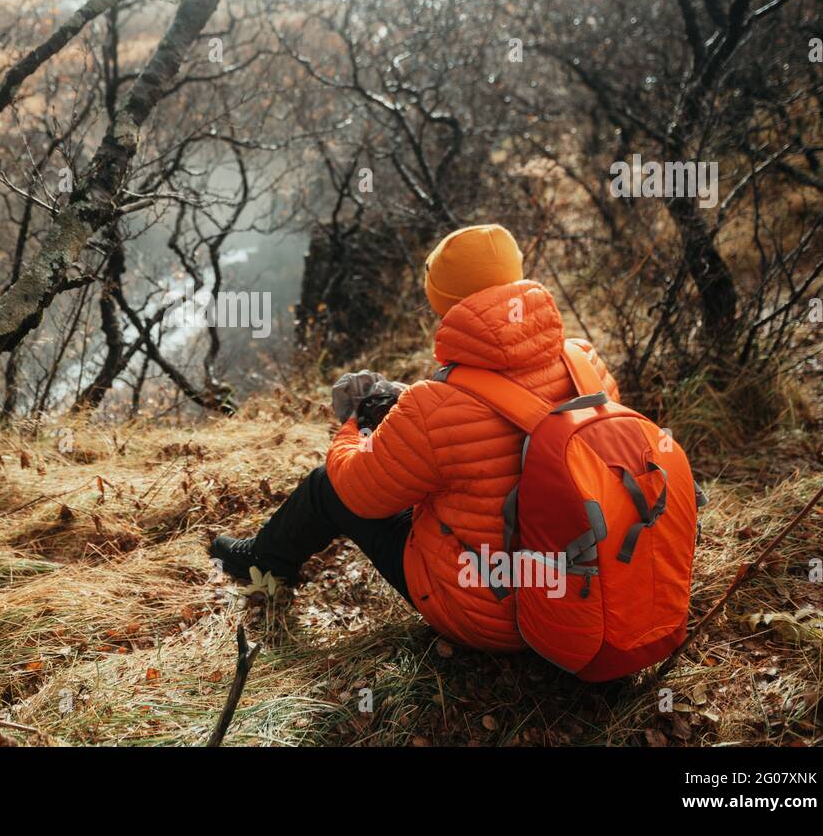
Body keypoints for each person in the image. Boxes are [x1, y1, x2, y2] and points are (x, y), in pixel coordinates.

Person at [209, 224, 620, 652]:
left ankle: (263, 563)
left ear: (444, 304)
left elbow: (358, 492)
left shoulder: (437, 407)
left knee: (326, 485)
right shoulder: (584, 362)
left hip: (491, 615)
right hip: (588, 593)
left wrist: (356, 424)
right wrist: (410, 408)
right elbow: (505, 427)